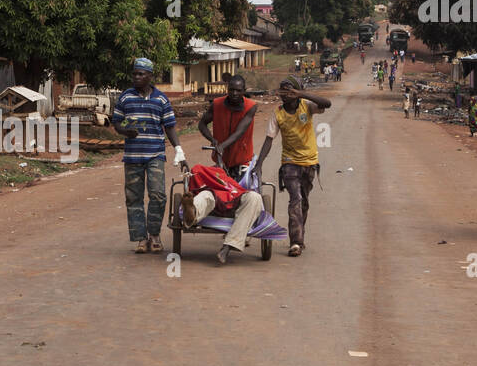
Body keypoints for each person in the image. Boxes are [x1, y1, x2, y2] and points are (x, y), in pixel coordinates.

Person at [189, 74, 265, 264]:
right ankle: (192, 212)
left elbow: (240, 132)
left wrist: (223, 145)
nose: (234, 93)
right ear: (227, 89)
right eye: (231, 89)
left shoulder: (250, 107)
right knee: (215, 193)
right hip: (221, 162)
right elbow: (201, 124)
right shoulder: (217, 104)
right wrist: (213, 141)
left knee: (247, 196)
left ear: (244, 91)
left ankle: (230, 243)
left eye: (238, 90)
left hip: (242, 160)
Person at [113, 58, 185, 254]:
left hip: (155, 155)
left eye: (141, 74)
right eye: (135, 73)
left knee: (158, 195)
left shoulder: (161, 99)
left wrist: (179, 150)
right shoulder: (125, 98)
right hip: (132, 157)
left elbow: (169, 126)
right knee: (133, 198)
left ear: (150, 76)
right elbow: (117, 122)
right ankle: (141, 239)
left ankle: (154, 234)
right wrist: (125, 132)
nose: (136, 77)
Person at [256, 77, 331, 257]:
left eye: (289, 91)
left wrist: (301, 94)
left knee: (304, 202)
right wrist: (258, 164)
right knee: (295, 200)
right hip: (289, 163)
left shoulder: (307, 106)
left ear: (296, 93)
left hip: (309, 162)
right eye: (282, 92)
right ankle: (296, 242)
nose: (285, 95)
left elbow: (327, 103)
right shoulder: (278, 113)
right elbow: (269, 139)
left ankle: (300, 235)